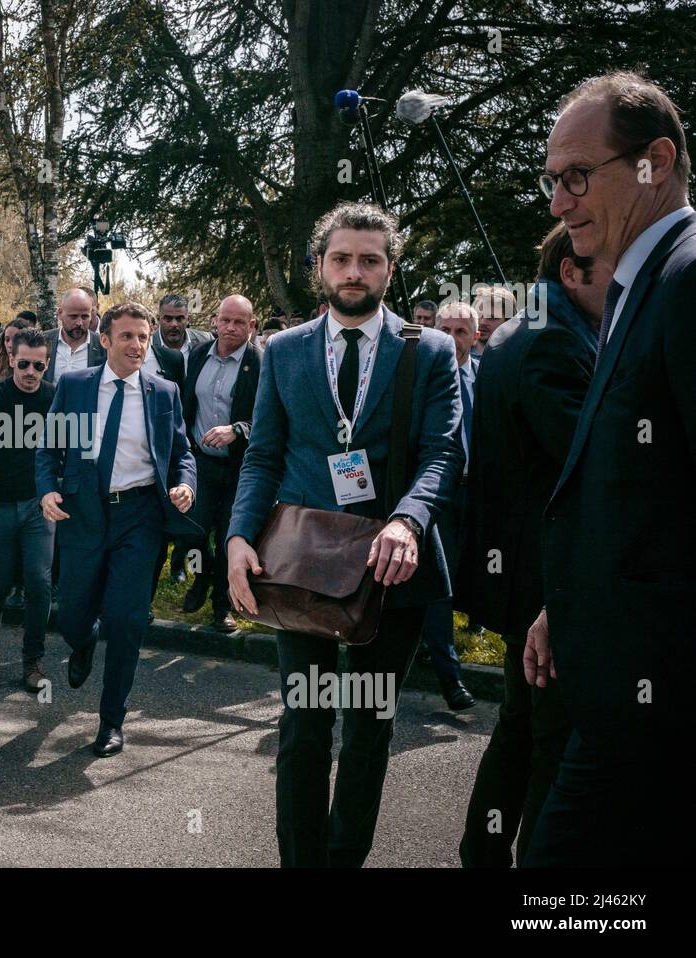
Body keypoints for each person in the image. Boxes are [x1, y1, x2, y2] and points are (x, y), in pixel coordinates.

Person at [225, 202, 464, 867]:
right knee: (303, 727)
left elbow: (444, 453)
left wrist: (408, 521)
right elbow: (263, 454)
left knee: (367, 731)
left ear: (390, 267)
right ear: (319, 266)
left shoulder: (430, 351)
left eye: (369, 259)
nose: (354, 272)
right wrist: (239, 537)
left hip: (392, 574)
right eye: (340, 258)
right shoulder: (284, 350)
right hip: (302, 567)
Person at [524, 71, 695, 867]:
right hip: (620, 692)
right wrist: (572, 604)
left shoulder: (688, 280)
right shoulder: (641, 284)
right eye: (552, 181)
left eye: (577, 178)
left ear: (655, 162)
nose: (559, 203)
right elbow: (644, 490)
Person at [454, 221, 604, 867]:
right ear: (572, 272)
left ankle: (481, 854)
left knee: (520, 728)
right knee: (554, 742)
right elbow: (588, 465)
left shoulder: (526, 332)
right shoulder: (551, 342)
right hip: (551, 581)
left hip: (524, 578)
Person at [37, 302, 197, 757]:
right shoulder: (75, 386)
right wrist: (47, 490)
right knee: (70, 615)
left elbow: (182, 454)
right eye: (127, 336)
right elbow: (49, 449)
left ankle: (111, 722)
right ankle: (83, 640)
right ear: (104, 340)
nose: (137, 345)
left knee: (127, 620)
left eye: (143, 337)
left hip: (140, 517)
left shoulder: (164, 392)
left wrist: (185, 484)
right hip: (84, 515)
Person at [0, 327, 56, 689]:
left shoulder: (55, 398)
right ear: (11, 360)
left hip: (39, 506)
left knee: (39, 583)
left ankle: (33, 661)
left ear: (47, 365)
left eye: (38, 365)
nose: (30, 372)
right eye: (24, 364)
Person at [180, 295, 261, 631]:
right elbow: (186, 404)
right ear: (215, 320)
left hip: (240, 468)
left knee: (231, 536)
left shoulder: (260, 363)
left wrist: (237, 430)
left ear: (252, 326)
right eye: (225, 320)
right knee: (191, 531)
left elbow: (271, 420)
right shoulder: (199, 354)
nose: (230, 328)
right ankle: (203, 575)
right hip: (200, 463)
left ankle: (221, 607)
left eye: (239, 322)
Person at [418, 302, 479, 710]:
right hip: (433, 496)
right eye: (447, 330)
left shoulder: (489, 376)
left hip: (477, 495)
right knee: (437, 586)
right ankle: (450, 676)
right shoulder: (423, 377)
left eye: (462, 331)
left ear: (476, 336)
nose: (454, 339)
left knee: (465, 576)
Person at [44, 288, 105, 382]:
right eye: (73, 316)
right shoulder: (43, 341)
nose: (79, 323)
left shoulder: (102, 347)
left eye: (85, 317)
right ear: (60, 313)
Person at [470, 284, 516, 362]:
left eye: (492, 318)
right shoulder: (456, 354)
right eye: (479, 315)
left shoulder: (517, 358)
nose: (483, 322)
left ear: (508, 321)